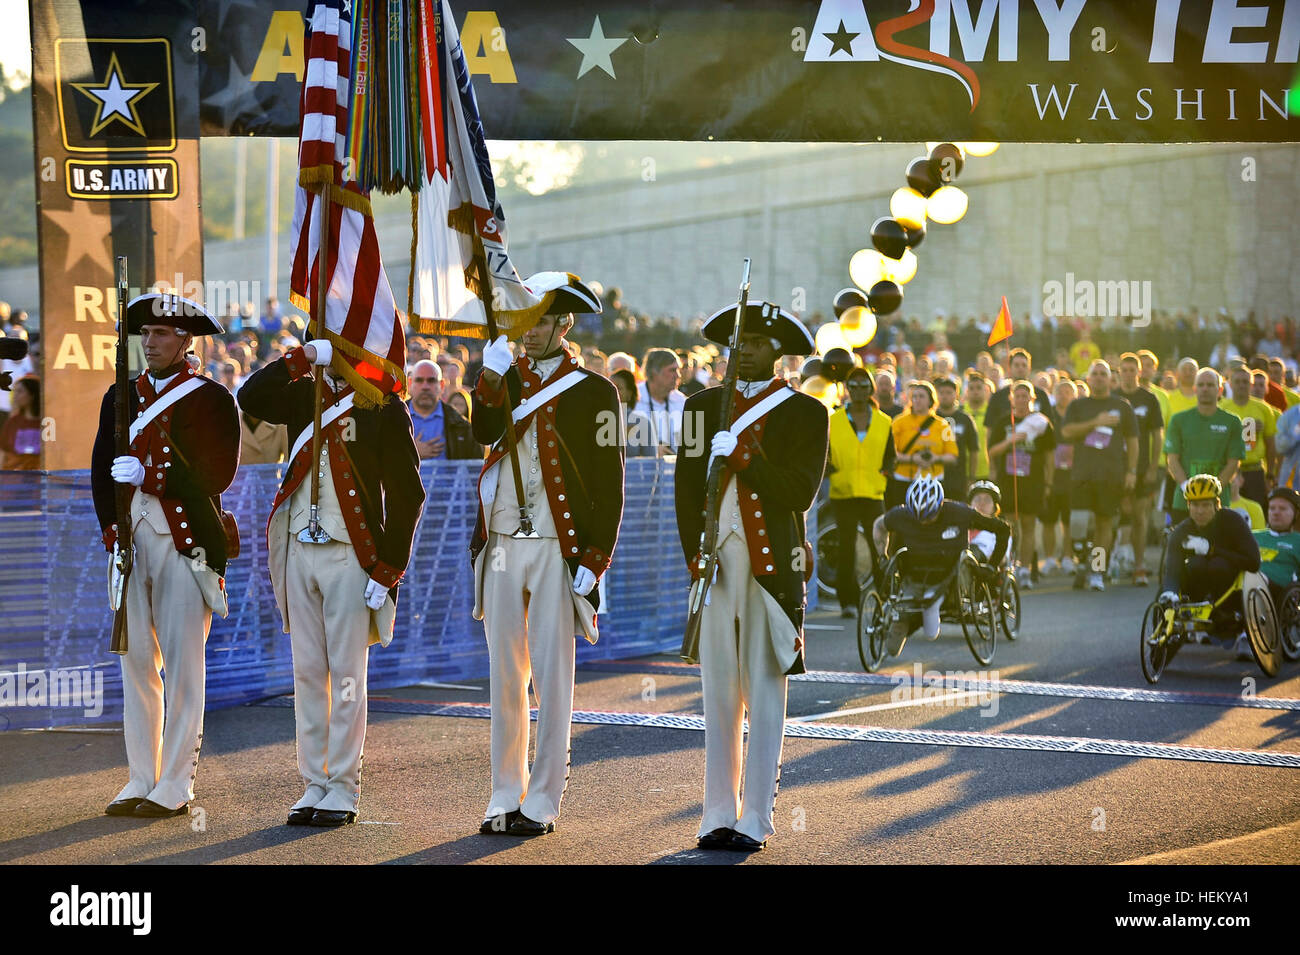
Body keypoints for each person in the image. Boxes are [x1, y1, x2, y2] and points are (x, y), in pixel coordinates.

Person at [237, 337, 426, 828]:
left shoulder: (382, 405)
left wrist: (388, 568)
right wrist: (298, 360)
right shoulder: (304, 394)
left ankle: (342, 785)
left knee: (345, 675)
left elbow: (407, 493)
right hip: (299, 548)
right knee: (306, 673)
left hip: (350, 554)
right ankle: (313, 783)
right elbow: (250, 398)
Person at [471, 272, 624, 838]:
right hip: (505, 543)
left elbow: (611, 482)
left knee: (553, 679)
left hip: (559, 547)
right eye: (521, 322)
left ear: (564, 326)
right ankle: (502, 792)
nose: (527, 333)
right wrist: (488, 374)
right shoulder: (503, 377)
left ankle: (542, 799)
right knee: (504, 676)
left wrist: (594, 556)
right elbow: (481, 430)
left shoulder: (595, 391)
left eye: (539, 323)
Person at [676, 299, 827, 853]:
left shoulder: (806, 412)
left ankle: (755, 816)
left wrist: (744, 459)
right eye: (737, 342)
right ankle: (717, 811)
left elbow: (797, 491)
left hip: (770, 566)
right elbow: (687, 489)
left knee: (763, 688)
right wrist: (693, 552)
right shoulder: (701, 409)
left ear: (777, 351)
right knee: (717, 689)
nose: (742, 351)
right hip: (716, 561)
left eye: (756, 343)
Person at [90, 294, 239, 818]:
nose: (150, 343)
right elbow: (100, 469)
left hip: (184, 542)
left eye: (161, 335)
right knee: (135, 664)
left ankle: (176, 782)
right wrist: (112, 531)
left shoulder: (210, 397)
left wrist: (151, 476)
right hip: (132, 541)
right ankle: (140, 777)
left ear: (184, 342)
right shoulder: (120, 395)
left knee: (182, 668)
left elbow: (216, 473)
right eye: (145, 334)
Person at [873, 476, 1010, 653]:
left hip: (952, 573)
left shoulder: (959, 513)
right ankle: (904, 620)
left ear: (939, 506)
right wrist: (882, 557)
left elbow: (1003, 529)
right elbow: (878, 525)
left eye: (929, 517)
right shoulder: (903, 514)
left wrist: (992, 565)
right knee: (893, 645)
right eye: (919, 518)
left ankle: (917, 617)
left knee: (931, 628)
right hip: (915, 571)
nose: (924, 522)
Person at [1158, 474, 1260, 661]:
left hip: (1231, 587)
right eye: (1195, 505)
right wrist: (1170, 593)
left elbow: (1253, 562)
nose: (1200, 511)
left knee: (1216, 565)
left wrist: (1212, 550)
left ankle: (1225, 617)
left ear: (1217, 504)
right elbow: (1172, 569)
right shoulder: (1181, 532)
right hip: (1198, 589)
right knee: (1194, 565)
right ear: (1188, 506)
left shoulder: (1233, 521)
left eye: (1205, 505)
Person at [1060, 360, 1138, 591]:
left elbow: (1133, 442)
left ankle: (1097, 571)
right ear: (1089, 379)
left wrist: (1132, 471)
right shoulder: (1077, 406)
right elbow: (1066, 432)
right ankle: (1082, 557)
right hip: (1082, 474)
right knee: (1077, 523)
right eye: (1095, 374)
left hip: (1111, 475)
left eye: (1104, 374)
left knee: (1105, 525)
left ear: (1110, 379)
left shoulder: (1122, 406)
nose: (1100, 377)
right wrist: (1096, 422)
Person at [826, 367, 894, 616]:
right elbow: (825, 453)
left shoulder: (884, 421)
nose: (858, 391)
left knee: (879, 548)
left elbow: (891, 457)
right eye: (852, 386)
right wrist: (831, 468)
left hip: (873, 492)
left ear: (870, 390)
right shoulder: (833, 420)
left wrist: (884, 472)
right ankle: (849, 602)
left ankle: (883, 597)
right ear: (846, 389)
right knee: (847, 549)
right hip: (843, 492)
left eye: (863, 386)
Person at [986, 380, 1056, 587]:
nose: (1021, 400)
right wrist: (1011, 441)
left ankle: (1025, 570)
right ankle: (1009, 567)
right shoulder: (1003, 422)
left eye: (1025, 396)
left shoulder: (1041, 423)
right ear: (1012, 399)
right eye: (1017, 396)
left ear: (1032, 399)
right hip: (1008, 481)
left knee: (1028, 525)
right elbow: (992, 452)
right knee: (1010, 526)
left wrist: (1048, 483)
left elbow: (1050, 455)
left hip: (1033, 481)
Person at [1165, 367, 1244, 527]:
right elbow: (1172, 460)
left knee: (1218, 549)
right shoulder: (1178, 420)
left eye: (1210, 385)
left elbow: (1234, 462)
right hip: (1184, 500)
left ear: (1220, 390)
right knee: (1182, 548)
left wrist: (1213, 490)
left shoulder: (1233, 422)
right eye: (1201, 385)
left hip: (1218, 500)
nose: (1205, 389)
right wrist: (1188, 488)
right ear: (1195, 389)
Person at [1114, 353, 1165, 586]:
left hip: (1143, 468)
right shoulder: (1112, 398)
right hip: (1113, 468)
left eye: (1131, 370)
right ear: (1118, 373)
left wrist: (1154, 467)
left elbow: (1157, 435)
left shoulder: (1149, 399)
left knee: (1139, 517)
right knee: (1109, 518)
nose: (1127, 374)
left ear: (1139, 372)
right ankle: (1104, 566)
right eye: (1123, 370)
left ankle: (1139, 565)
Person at [886, 380, 957, 510]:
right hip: (904, 480)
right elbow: (890, 453)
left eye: (921, 396)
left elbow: (952, 456)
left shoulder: (942, 425)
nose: (917, 400)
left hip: (932, 481)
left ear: (931, 400)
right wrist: (913, 459)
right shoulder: (899, 422)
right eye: (915, 396)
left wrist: (934, 458)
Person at [1219, 364, 1276, 511]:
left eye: (1245, 382)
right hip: (1228, 470)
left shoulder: (1263, 408)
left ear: (1251, 384)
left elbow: (1271, 445)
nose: (1241, 385)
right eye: (1237, 382)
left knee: (1256, 510)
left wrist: (1270, 475)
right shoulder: (1222, 408)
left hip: (1254, 471)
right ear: (1230, 384)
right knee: (1227, 511)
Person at [407, 359, 481, 460]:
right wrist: (411, 452)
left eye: (431, 381)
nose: (425, 386)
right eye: (419, 380)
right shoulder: (393, 420)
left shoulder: (461, 425)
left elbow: (473, 469)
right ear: (410, 383)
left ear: (441, 385)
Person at [934, 376, 980, 505]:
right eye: (941, 393)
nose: (945, 396)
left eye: (949, 393)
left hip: (958, 479)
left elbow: (974, 450)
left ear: (957, 395)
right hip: (934, 476)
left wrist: (971, 477)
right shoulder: (930, 418)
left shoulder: (965, 419)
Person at [1254, 486, 1300, 608]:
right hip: (1247, 582)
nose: (1276, 512)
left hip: (1280, 591)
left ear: (1295, 514)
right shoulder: (1252, 536)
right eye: (1272, 508)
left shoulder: (1297, 541)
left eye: (1283, 509)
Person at [636, 347, 686, 455]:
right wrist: (651, 449)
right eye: (672, 370)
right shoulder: (634, 399)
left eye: (678, 370)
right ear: (654, 371)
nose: (678, 375)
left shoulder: (682, 401)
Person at [0, 375, 41, 469]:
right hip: (13, 477)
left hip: (38, 478)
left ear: (32, 395)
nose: (15, 395)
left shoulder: (45, 423)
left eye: (20, 391)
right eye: (15, 391)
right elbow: (2, 452)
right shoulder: (12, 422)